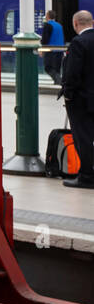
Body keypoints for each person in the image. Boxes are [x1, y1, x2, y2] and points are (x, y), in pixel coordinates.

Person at [60, 10, 94, 189]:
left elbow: (72, 73)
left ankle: (87, 176)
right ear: (92, 22)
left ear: (75, 24)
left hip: (81, 100)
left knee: (84, 138)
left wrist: (68, 94)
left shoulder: (78, 43)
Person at [41, 10, 65, 85]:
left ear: (47, 16)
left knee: (48, 67)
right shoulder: (59, 25)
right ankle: (57, 82)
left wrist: (42, 49)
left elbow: (45, 39)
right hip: (60, 50)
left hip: (50, 50)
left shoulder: (47, 25)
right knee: (57, 69)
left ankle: (59, 81)